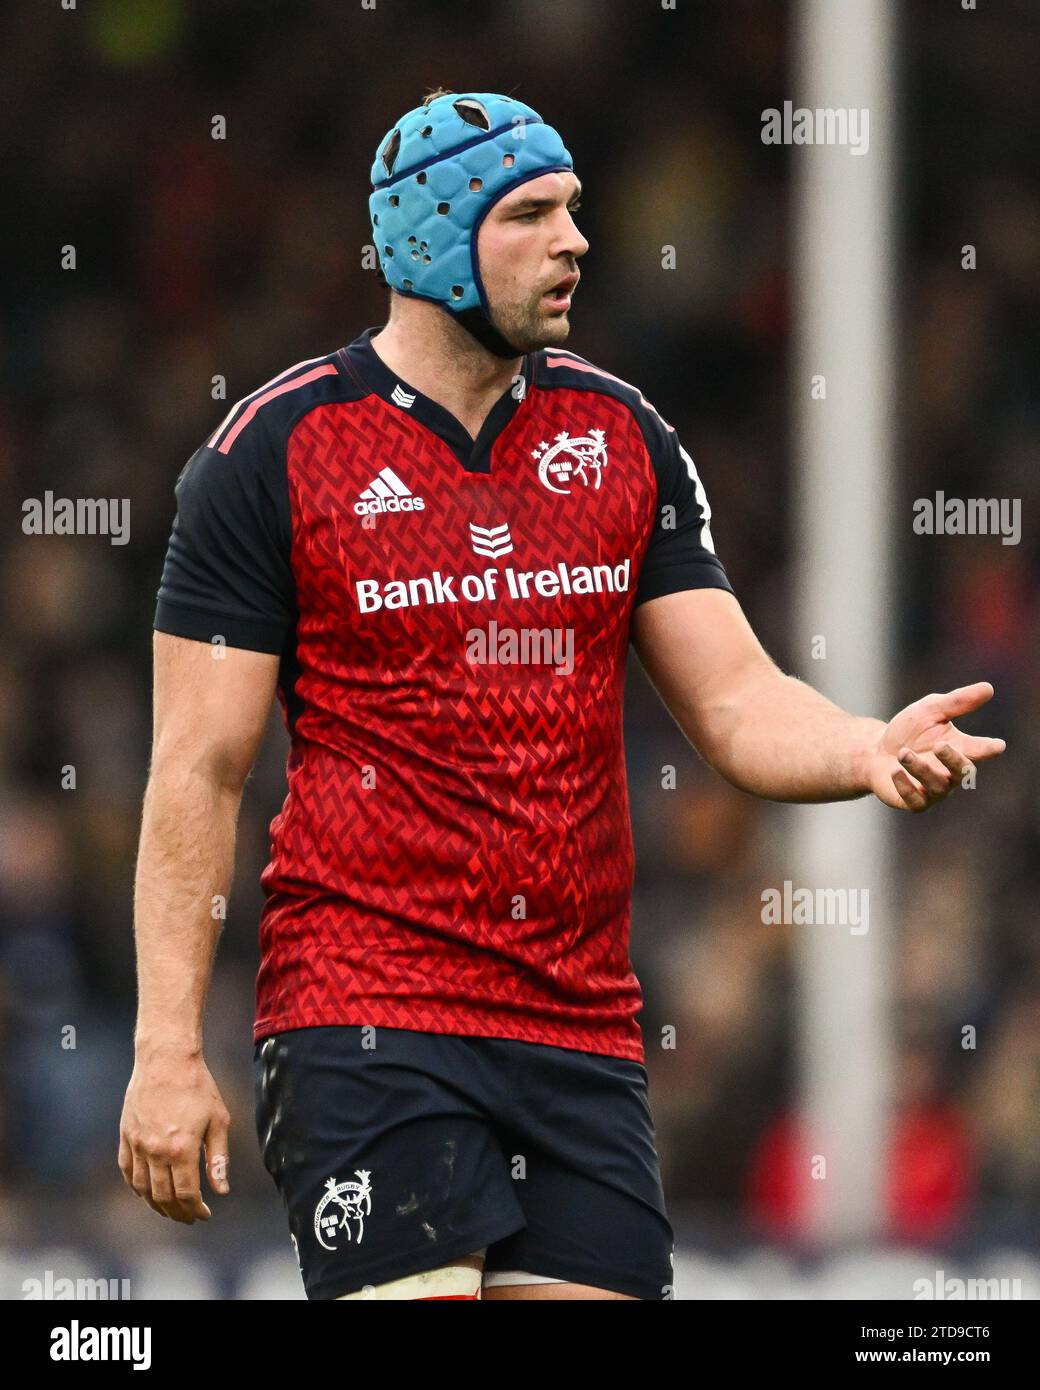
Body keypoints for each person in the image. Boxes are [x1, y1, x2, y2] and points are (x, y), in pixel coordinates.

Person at [118, 89, 1005, 1301]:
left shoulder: (620, 433)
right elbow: (196, 769)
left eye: (574, 209)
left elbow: (737, 700)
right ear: (430, 240)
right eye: (531, 213)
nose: (574, 239)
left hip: (575, 1026)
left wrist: (862, 747)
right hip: (367, 1008)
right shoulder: (272, 452)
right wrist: (166, 1044)